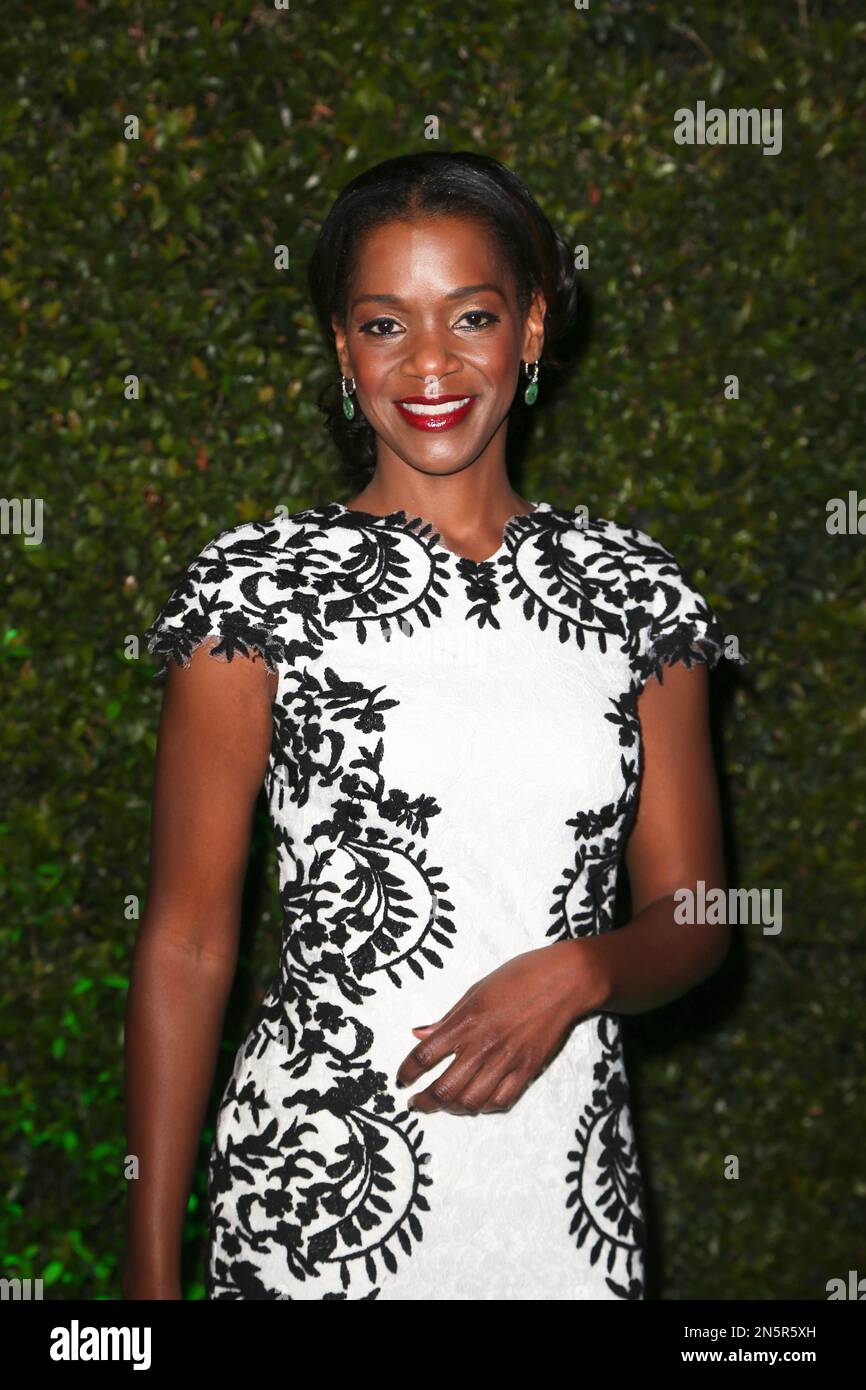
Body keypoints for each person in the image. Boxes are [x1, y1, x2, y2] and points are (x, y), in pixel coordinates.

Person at [123, 150, 738, 1301]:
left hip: (562, 1200)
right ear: (340, 349)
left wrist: (584, 968)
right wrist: (149, 1270)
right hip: (303, 1198)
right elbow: (189, 940)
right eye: (381, 324)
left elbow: (694, 914)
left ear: (533, 327)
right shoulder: (252, 591)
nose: (430, 365)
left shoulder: (635, 594)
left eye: (470, 316)